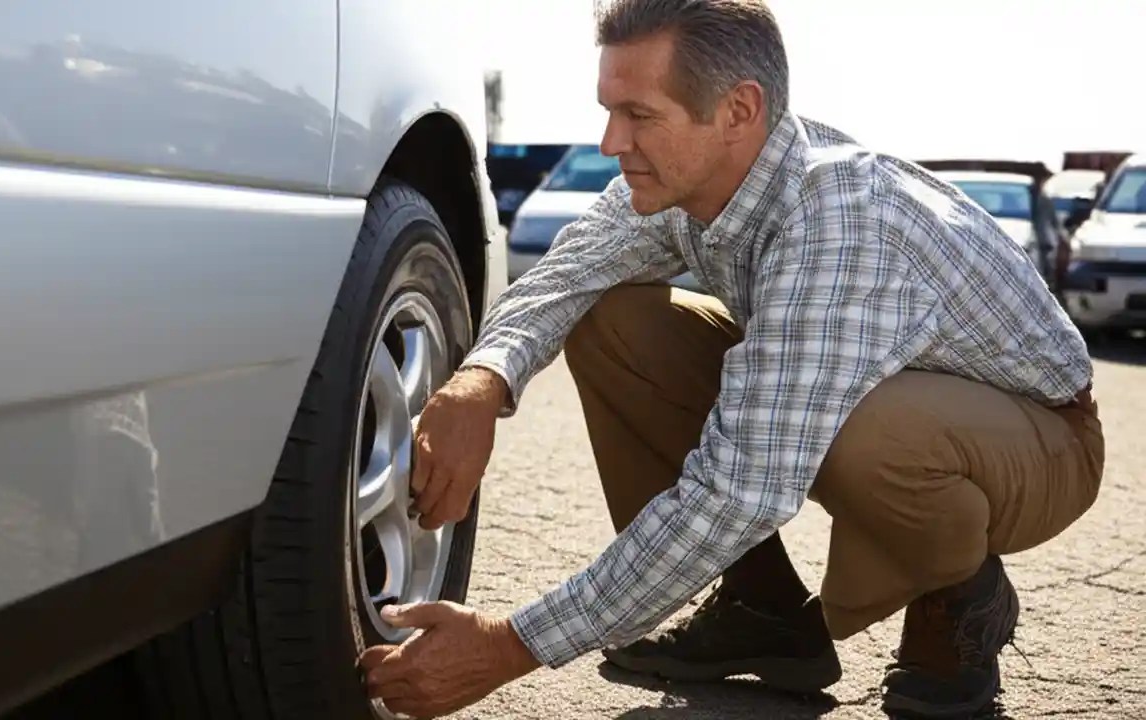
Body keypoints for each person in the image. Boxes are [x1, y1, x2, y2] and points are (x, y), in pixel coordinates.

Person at [359, 0, 1105, 718]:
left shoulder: (837, 219)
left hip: (1039, 440)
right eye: (610, 111)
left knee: (867, 431)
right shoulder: (694, 179)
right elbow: (567, 273)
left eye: (640, 116)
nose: (613, 143)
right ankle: (762, 614)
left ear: (739, 110)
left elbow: (745, 487)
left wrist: (511, 646)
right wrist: (479, 384)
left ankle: (958, 599)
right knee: (615, 319)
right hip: (900, 400)